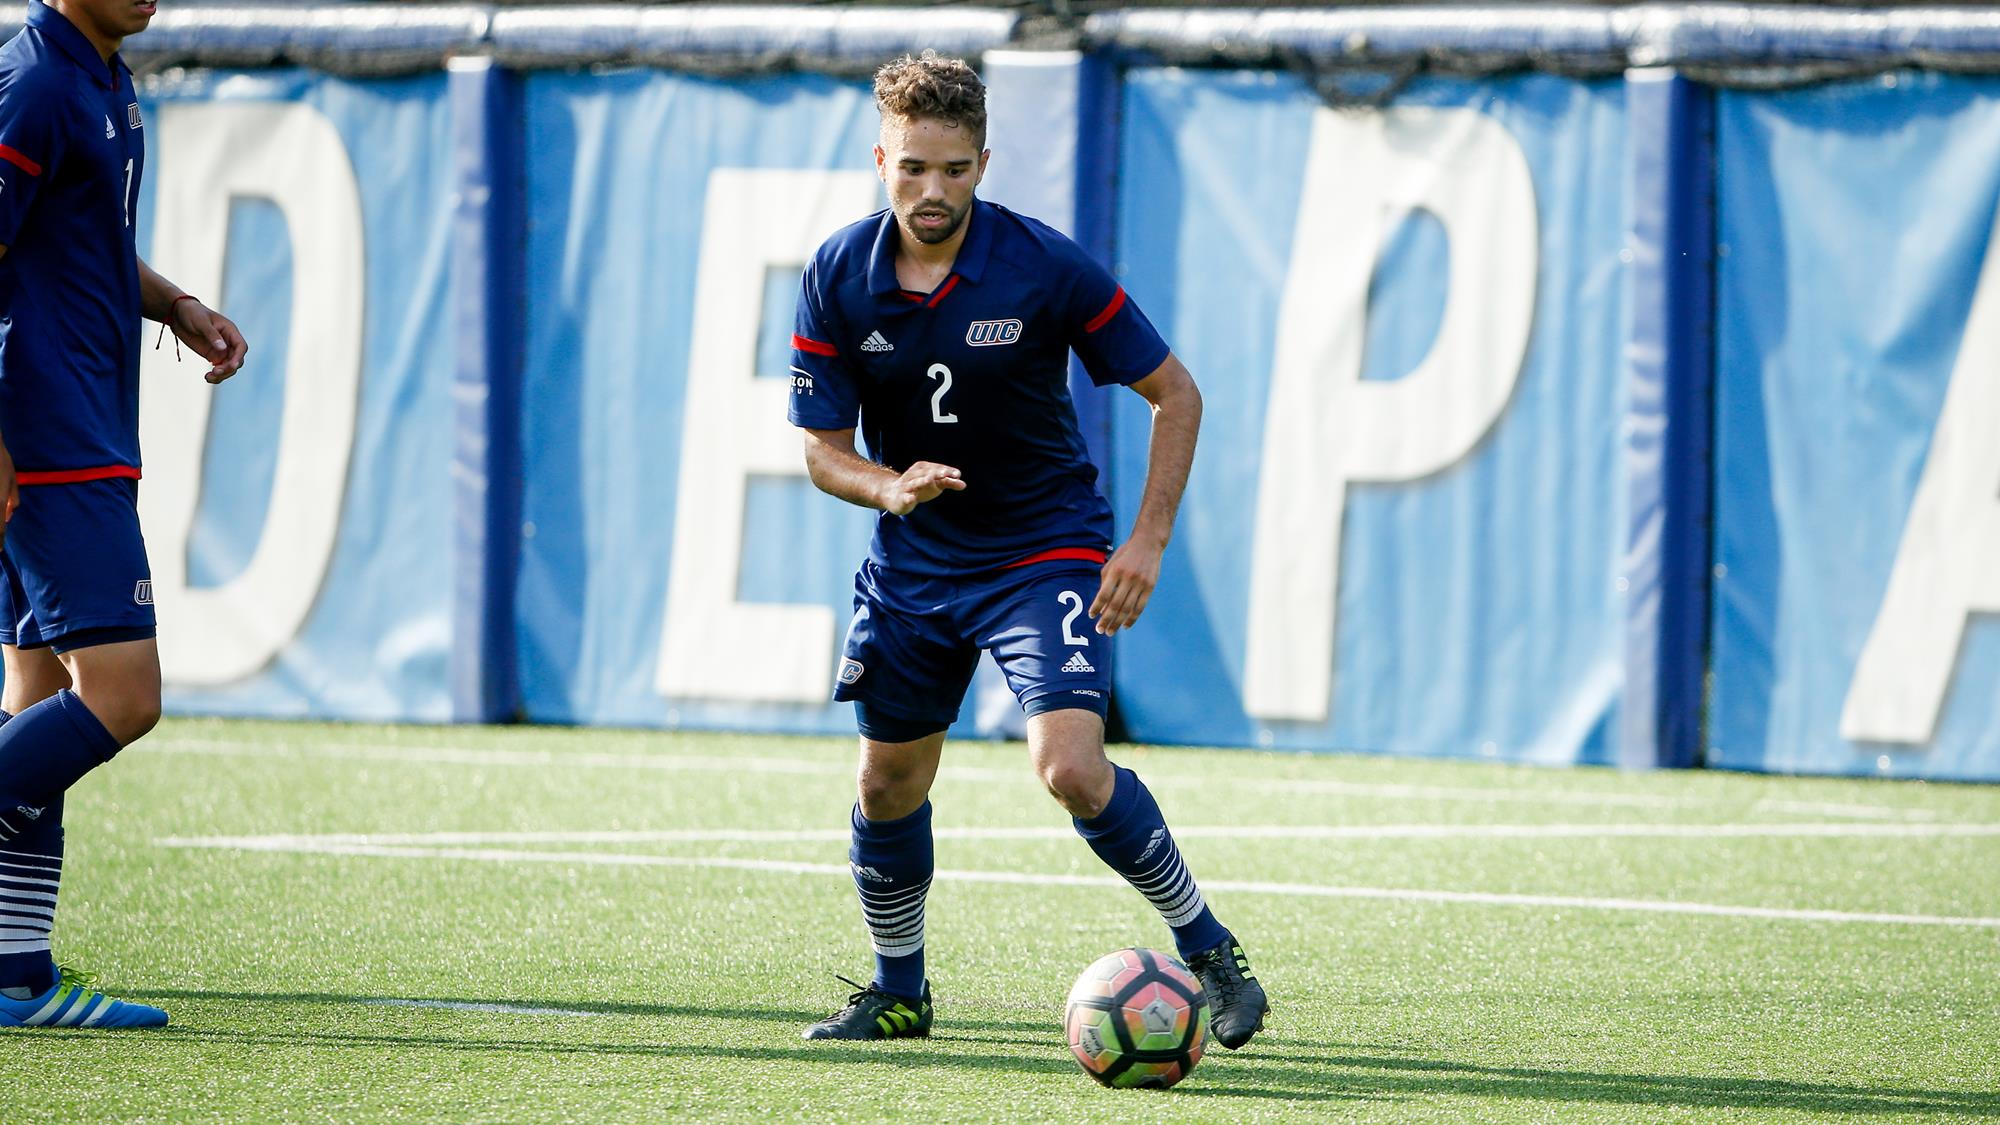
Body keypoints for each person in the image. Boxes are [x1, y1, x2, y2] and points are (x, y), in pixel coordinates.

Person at [789, 51, 1268, 1047]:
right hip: (914, 561)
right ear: (881, 157)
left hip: (1040, 552)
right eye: (913, 167)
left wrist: (1143, 540)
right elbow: (821, 454)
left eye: (954, 170)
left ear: (983, 161)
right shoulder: (837, 274)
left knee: (1069, 769)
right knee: (886, 782)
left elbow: (1173, 394)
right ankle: (899, 991)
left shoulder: (1042, 265)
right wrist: (890, 485)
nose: (933, 190)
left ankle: (1211, 954)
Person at [0, 0, 247, 1028]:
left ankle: (14, 978)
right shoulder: (36, 83)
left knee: (36, 693)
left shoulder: (102, 74)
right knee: (123, 695)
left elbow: (75, 247)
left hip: (81, 425)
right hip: (49, 443)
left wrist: (175, 304)